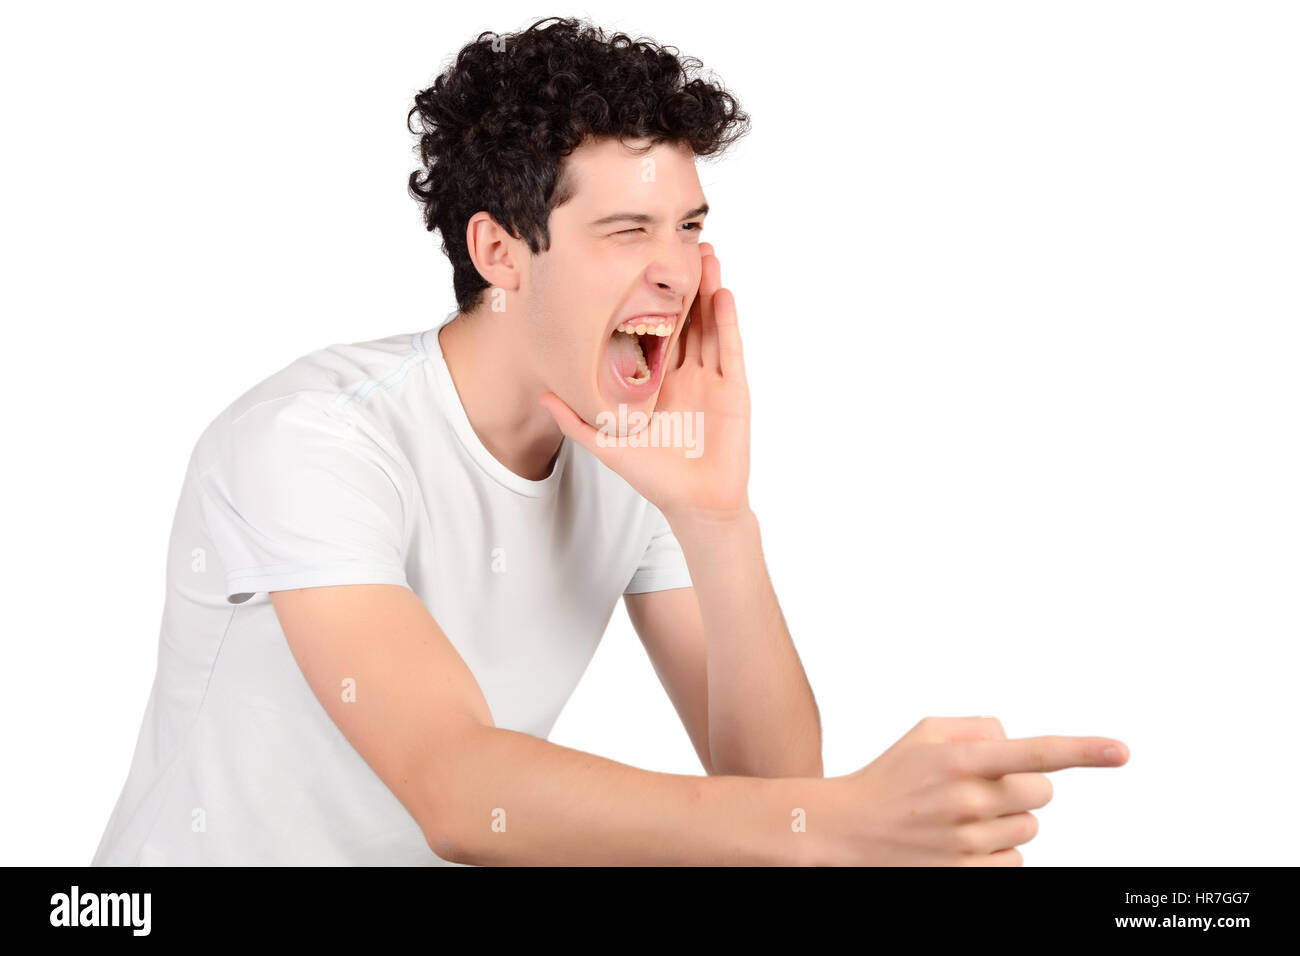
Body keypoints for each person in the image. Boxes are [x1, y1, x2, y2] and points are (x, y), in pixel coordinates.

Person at [92, 16, 1128, 867]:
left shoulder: (629, 442)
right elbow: (457, 785)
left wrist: (717, 520)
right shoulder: (312, 438)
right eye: (629, 231)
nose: (677, 271)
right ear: (498, 250)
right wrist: (842, 820)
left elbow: (770, 793)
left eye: (688, 225)